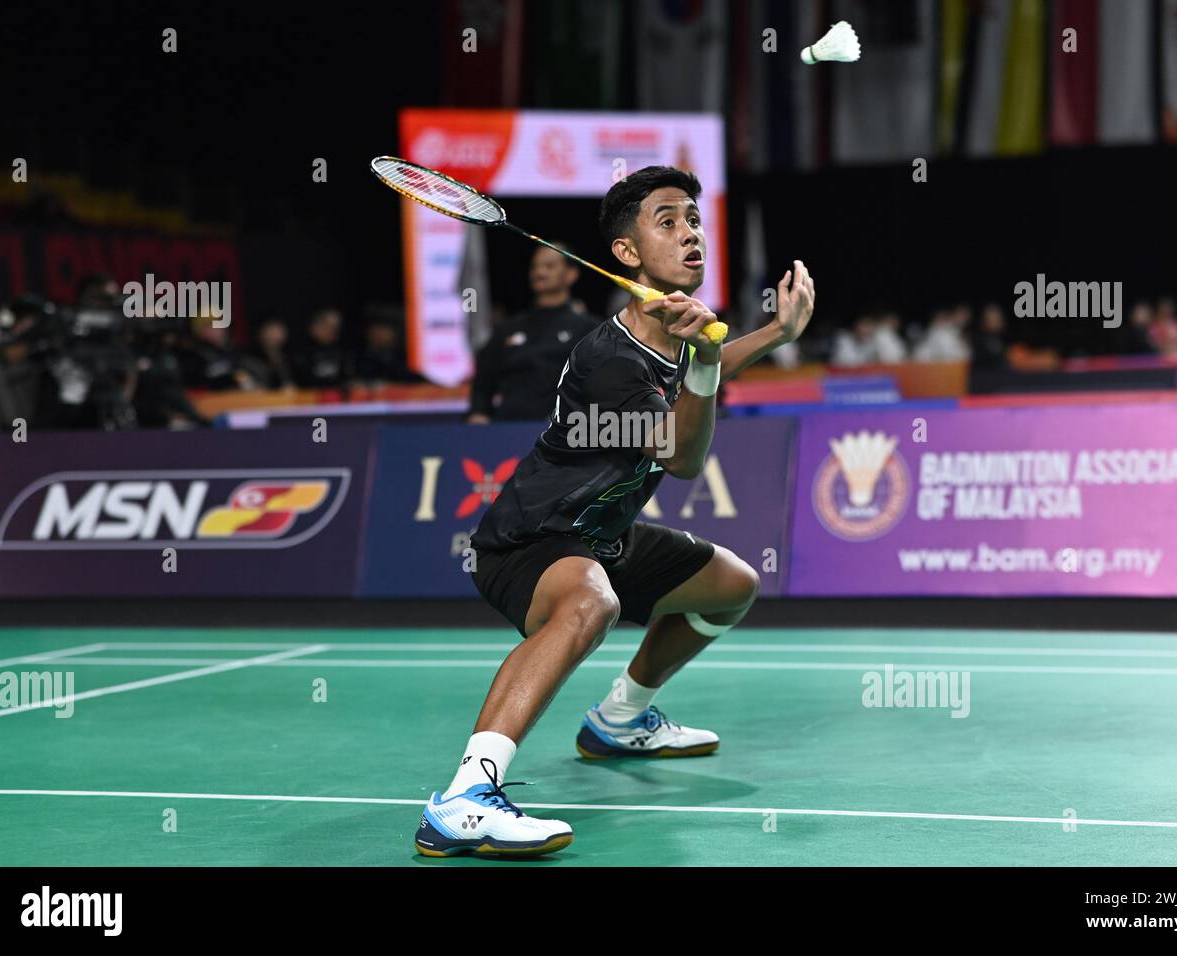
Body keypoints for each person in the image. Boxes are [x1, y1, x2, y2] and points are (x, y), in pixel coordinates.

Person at [413, 166, 815, 858]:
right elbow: (683, 454)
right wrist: (709, 358)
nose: (690, 232)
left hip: (601, 535)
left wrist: (773, 334)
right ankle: (465, 797)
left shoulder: (670, 334)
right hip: (529, 541)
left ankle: (619, 720)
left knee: (731, 586)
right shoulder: (608, 363)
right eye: (667, 222)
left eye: (692, 218)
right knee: (589, 604)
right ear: (625, 254)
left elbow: (698, 375)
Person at [466, 244, 601, 423]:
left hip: (561, 435)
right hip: (506, 433)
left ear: (571, 274)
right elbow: (483, 382)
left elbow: (602, 387)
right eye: (535, 266)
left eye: (549, 266)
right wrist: (479, 413)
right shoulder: (507, 329)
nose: (539, 272)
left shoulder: (590, 329)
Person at [290, 308, 351, 389]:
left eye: (336, 328)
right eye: (328, 327)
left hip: (337, 397)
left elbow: (348, 378)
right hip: (310, 397)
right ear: (315, 327)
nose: (333, 331)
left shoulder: (343, 350)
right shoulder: (301, 351)